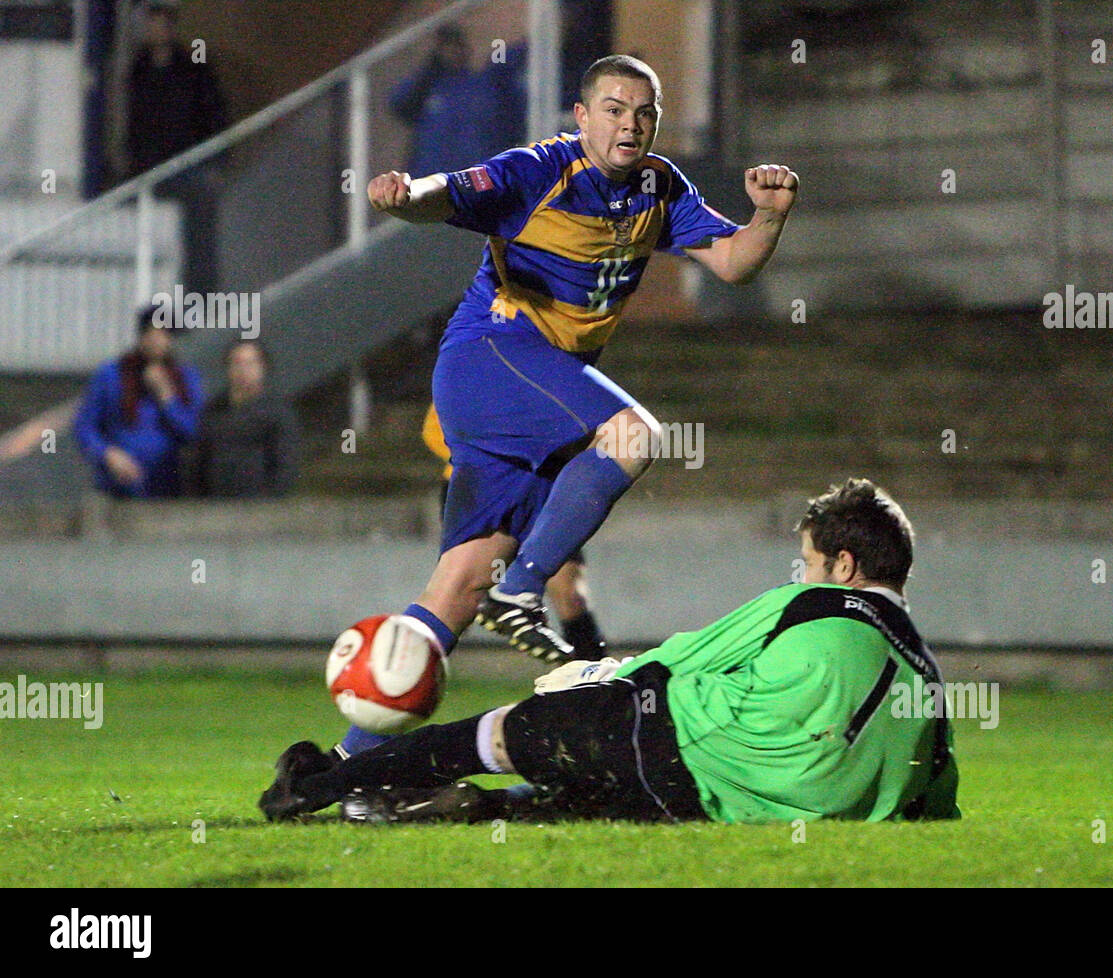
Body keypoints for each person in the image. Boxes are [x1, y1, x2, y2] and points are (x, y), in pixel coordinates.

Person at [362, 55, 799, 687]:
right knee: (633, 434)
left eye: (644, 113)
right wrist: (405, 196)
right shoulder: (536, 169)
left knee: (454, 593)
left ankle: (343, 768)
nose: (630, 125)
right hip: (492, 359)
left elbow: (733, 263)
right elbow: (448, 194)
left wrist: (770, 216)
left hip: (536, 394)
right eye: (615, 110)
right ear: (582, 116)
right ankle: (519, 594)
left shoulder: (660, 185)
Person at [258, 479, 960, 825]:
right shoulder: (929, 682)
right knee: (584, 796)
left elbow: (685, 658)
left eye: (805, 561)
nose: (798, 574)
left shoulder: (814, 604)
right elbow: (934, 801)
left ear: (841, 564)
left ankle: (316, 786)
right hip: (712, 808)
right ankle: (474, 809)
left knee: (501, 733)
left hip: (684, 743)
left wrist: (596, 678)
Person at [422, 402, 608, 659]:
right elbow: (434, 431)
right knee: (459, 595)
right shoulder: (478, 367)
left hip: (543, 487)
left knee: (571, 592)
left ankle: (596, 682)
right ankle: (405, 675)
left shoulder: (553, 374)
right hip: (480, 489)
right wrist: (504, 458)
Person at [124, 0, 228, 295]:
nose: (157, 29)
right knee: (144, 240)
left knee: (197, 239)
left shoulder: (192, 68)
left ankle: (200, 300)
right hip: (149, 169)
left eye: (162, 22)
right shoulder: (138, 70)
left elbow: (214, 114)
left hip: (188, 166)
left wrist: (214, 162)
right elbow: (134, 123)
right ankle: (148, 305)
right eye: (151, 22)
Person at [74, 308, 203, 498]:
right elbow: (84, 427)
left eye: (165, 335)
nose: (158, 341)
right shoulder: (113, 374)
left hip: (168, 486)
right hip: (119, 486)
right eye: (153, 333)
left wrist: (167, 399)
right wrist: (108, 455)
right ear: (142, 336)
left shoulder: (184, 378)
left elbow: (194, 431)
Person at [388, 23, 506, 177]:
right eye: (446, 47)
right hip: (430, 178)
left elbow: (504, 125)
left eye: (456, 46)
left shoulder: (482, 85)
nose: (452, 52)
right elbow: (398, 104)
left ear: (465, 49)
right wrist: (428, 70)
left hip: (473, 179)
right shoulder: (427, 87)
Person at [192, 339, 299, 498]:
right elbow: (200, 461)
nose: (243, 370)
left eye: (250, 363)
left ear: (263, 368)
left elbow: (285, 467)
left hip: (257, 509)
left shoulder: (278, 412)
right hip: (214, 507)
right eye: (236, 363)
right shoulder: (213, 411)